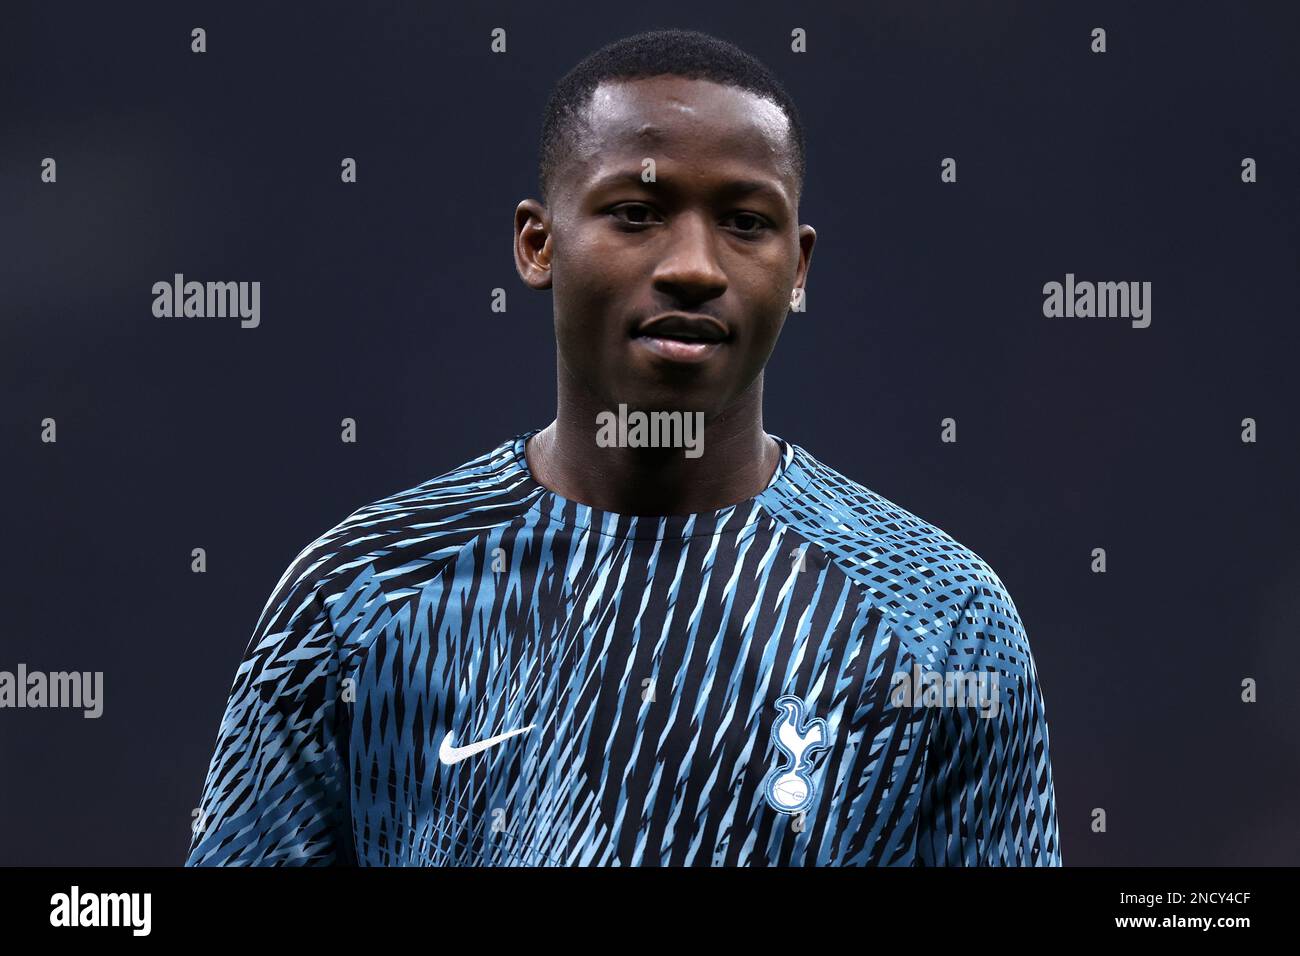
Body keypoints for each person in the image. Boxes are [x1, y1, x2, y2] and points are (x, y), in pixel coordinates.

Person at [186, 27, 1060, 866]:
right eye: (637, 212)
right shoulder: (361, 593)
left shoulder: (943, 616)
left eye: (746, 223)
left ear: (798, 268)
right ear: (540, 244)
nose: (693, 265)